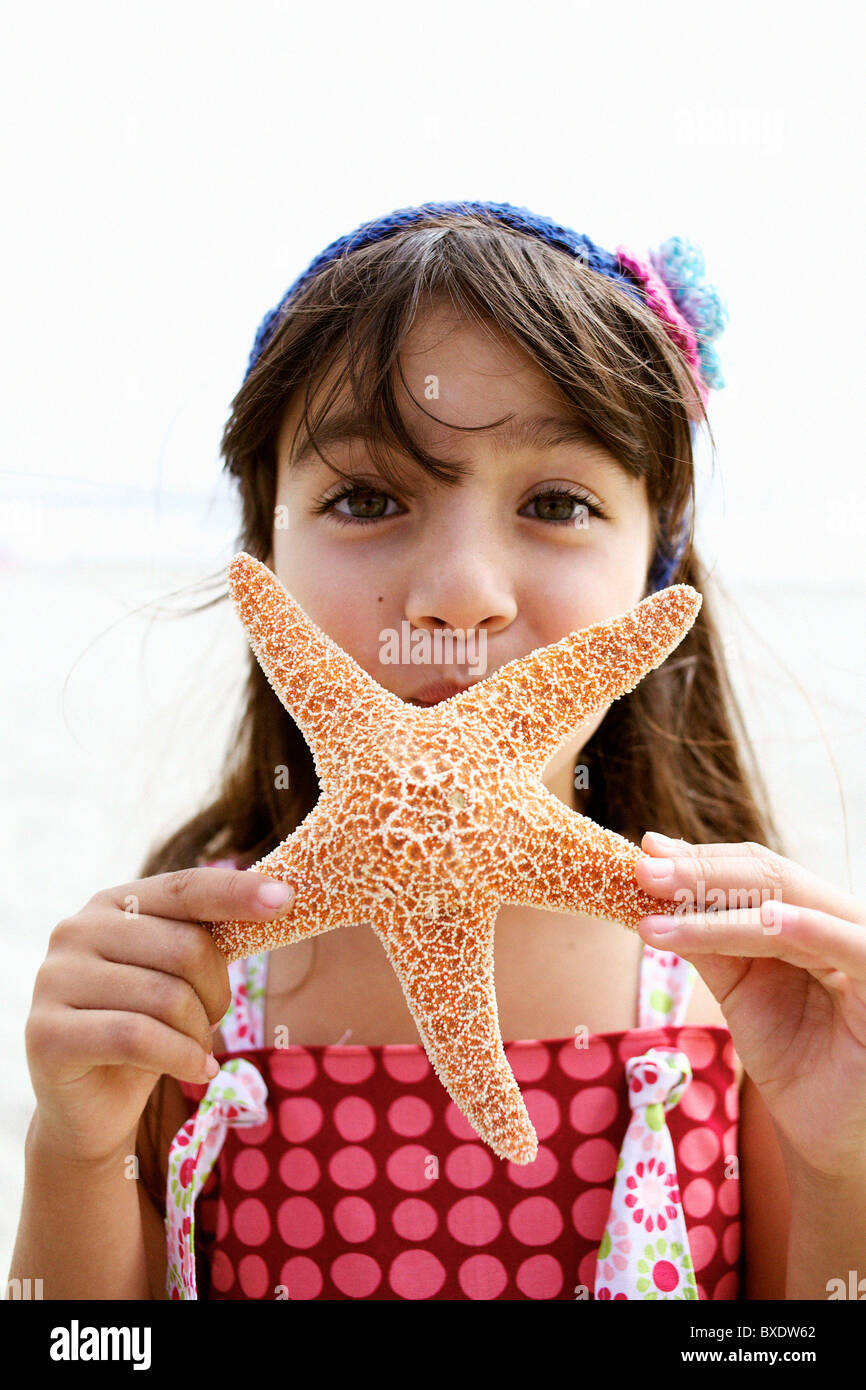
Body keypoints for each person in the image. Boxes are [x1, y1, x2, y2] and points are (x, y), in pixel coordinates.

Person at [11, 202, 866, 1302]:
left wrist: (845, 1160)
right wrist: (74, 1146)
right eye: (366, 498)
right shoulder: (186, 999)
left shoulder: (745, 1001)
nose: (460, 590)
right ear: (261, 555)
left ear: (654, 575)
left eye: (556, 502)